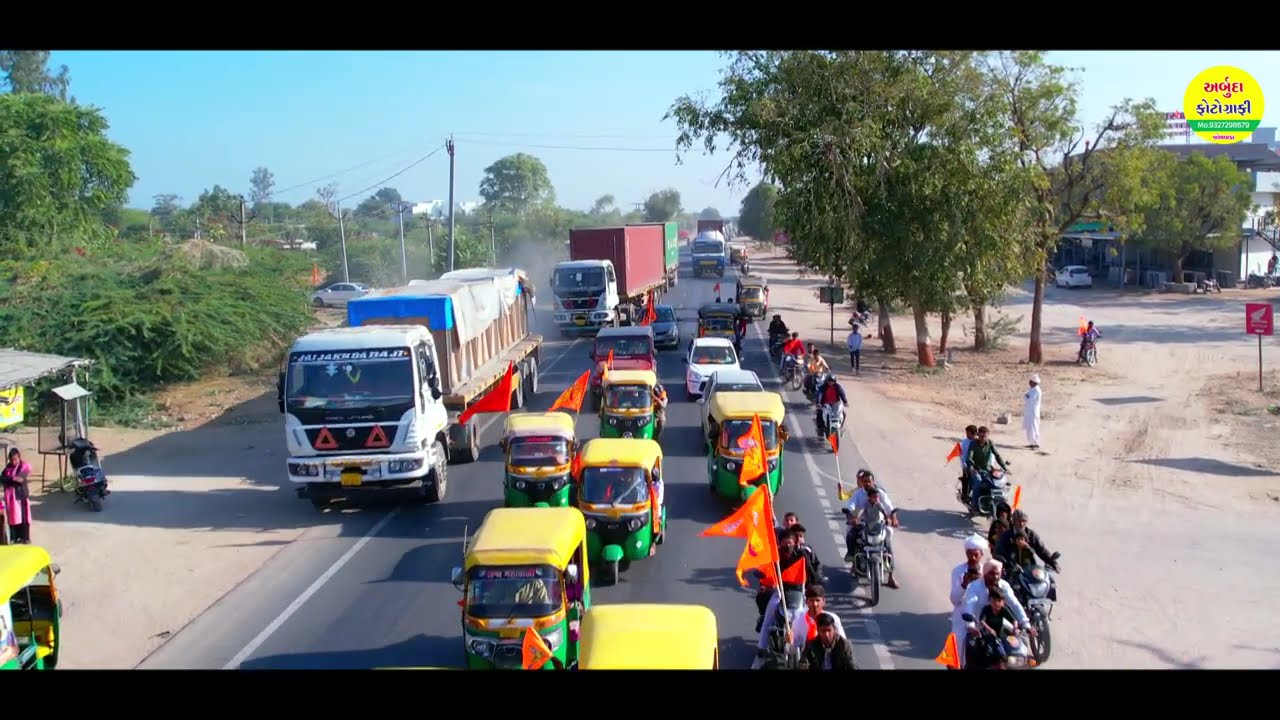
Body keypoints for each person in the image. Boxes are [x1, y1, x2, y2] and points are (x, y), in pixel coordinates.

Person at [960, 559, 1036, 669]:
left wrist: (1025, 624)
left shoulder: (1004, 586)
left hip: (1002, 628)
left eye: (997, 574)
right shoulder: (974, 587)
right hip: (979, 630)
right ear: (985, 574)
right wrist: (971, 625)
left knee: (1021, 644)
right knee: (969, 648)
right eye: (992, 574)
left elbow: (1014, 604)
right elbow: (969, 604)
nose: (995, 577)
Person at [754, 528, 809, 643]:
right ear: (780, 543)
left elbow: (811, 573)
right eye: (785, 543)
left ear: (794, 543)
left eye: (790, 543)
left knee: (811, 617)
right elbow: (766, 572)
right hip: (779, 591)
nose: (788, 546)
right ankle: (762, 647)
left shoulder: (802, 555)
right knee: (767, 620)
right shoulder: (774, 557)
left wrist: (816, 584)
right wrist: (764, 581)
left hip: (799, 592)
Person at [845, 485, 900, 589]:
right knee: (852, 536)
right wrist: (856, 519)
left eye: (877, 496)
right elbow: (860, 512)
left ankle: (891, 573)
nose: (876, 498)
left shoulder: (878, 503)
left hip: (877, 526)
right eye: (874, 497)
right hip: (865, 525)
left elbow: (885, 510)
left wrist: (889, 519)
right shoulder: (864, 501)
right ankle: (853, 558)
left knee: (887, 542)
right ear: (869, 497)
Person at [949, 534, 989, 669]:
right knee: (956, 646)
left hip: (982, 617)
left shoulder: (988, 571)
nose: (972, 558)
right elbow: (954, 599)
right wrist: (964, 584)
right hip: (962, 616)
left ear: (982, 554)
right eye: (969, 554)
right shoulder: (958, 571)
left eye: (976, 554)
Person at [995, 510, 1059, 572]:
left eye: (1024, 521)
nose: (1021, 524)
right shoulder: (1005, 535)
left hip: (1029, 570)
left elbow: (1041, 550)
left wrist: (1053, 563)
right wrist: (1009, 565)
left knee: (1049, 580)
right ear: (1013, 521)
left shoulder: (1031, 535)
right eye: (1019, 521)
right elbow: (999, 552)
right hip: (1011, 570)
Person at [963, 426, 1009, 510]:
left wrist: (1004, 467)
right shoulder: (973, 444)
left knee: (996, 484)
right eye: (981, 436)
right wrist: (972, 467)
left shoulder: (990, 443)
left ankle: (997, 502)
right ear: (978, 435)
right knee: (978, 482)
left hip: (988, 469)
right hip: (976, 470)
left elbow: (997, 455)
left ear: (988, 436)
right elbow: (969, 457)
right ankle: (974, 505)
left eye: (985, 436)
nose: (983, 438)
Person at [790, 584, 846, 653]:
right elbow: (791, 651)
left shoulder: (833, 618)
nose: (815, 604)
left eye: (817, 600)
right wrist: (789, 642)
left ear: (823, 602)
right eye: (811, 600)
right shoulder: (798, 621)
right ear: (806, 602)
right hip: (808, 659)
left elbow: (843, 643)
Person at [2, 448, 33, 545]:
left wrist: (9, 480)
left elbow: (20, 479)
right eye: (12, 460)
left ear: (19, 458)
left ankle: (25, 538)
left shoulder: (24, 466)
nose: (14, 462)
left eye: (15, 459)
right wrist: (12, 478)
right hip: (11, 498)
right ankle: (14, 538)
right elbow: (2, 478)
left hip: (21, 495)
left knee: (24, 517)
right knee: (13, 517)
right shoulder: (7, 469)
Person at [956, 424, 978, 499]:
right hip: (967, 465)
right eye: (966, 433)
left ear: (974, 433)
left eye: (968, 433)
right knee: (966, 479)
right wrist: (964, 465)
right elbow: (962, 455)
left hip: (977, 465)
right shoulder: (964, 442)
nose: (966, 435)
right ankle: (965, 495)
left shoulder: (978, 441)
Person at [1023, 374, 1042, 451]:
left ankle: (1035, 443)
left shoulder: (1036, 390)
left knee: (1033, 427)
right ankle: (1031, 443)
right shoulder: (1032, 389)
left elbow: (1029, 398)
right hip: (1029, 411)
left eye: (1031, 382)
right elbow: (1026, 397)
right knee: (1030, 428)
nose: (1029, 383)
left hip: (1033, 412)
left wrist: (1026, 396)